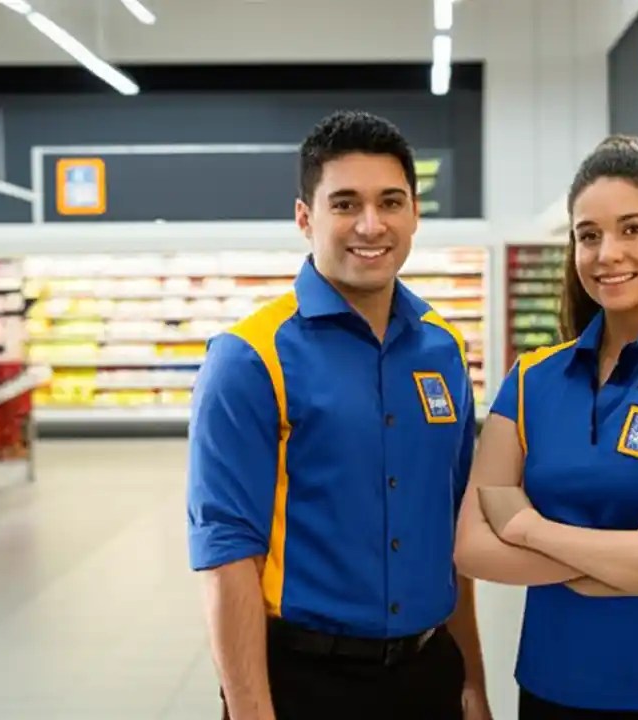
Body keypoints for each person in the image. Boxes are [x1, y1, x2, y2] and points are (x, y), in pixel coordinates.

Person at [186, 110, 490, 720]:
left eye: (390, 202)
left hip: (430, 675)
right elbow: (226, 555)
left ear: (414, 215)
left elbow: (450, 529)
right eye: (345, 204)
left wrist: (473, 682)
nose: (371, 225)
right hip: (304, 684)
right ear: (306, 218)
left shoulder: (443, 350)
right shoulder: (250, 358)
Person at [454, 136, 638, 720]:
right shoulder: (531, 379)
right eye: (588, 235)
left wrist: (527, 526)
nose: (607, 253)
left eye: (631, 229)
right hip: (551, 687)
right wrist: (627, 553)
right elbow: (471, 547)